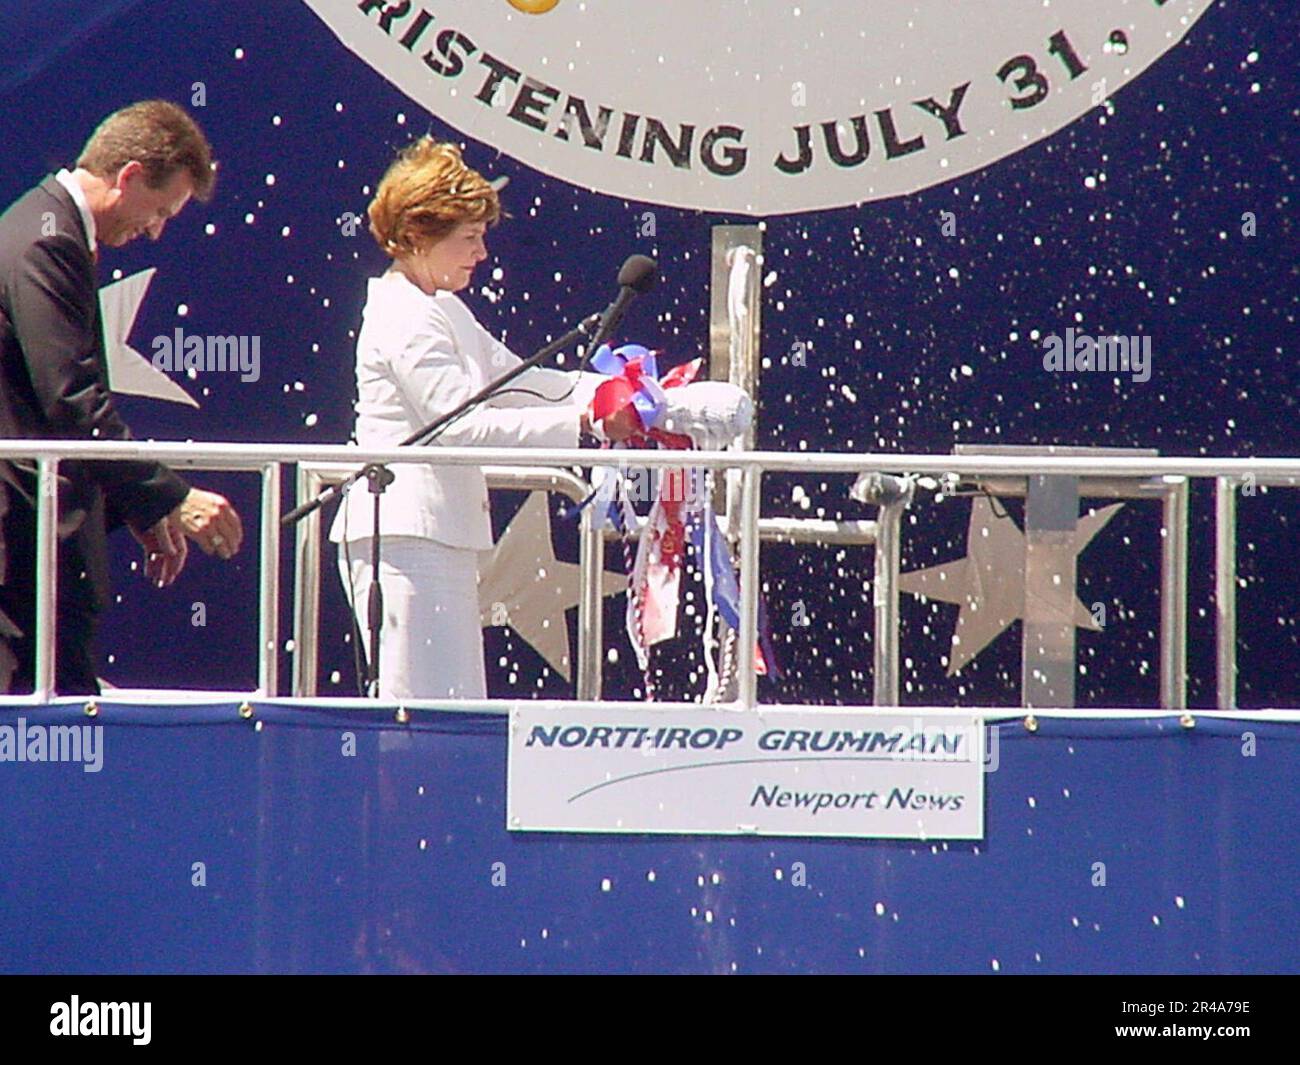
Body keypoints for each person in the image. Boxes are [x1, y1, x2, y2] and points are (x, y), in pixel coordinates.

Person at [330, 137, 637, 700]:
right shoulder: (404, 315)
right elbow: (459, 428)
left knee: (451, 709)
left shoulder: (443, 307)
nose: (482, 254)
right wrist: (584, 424)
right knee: (416, 717)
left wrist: (620, 394)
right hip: (401, 537)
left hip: (438, 537)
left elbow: (519, 382)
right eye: (469, 239)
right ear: (419, 236)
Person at [0, 100, 244, 694]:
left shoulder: (51, 229)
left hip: (41, 535)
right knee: (38, 733)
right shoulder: (46, 240)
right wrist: (168, 497)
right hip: (22, 544)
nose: (156, 230)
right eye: (159, 211)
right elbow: (70, 398)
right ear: (130, 175)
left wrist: (136, 505)